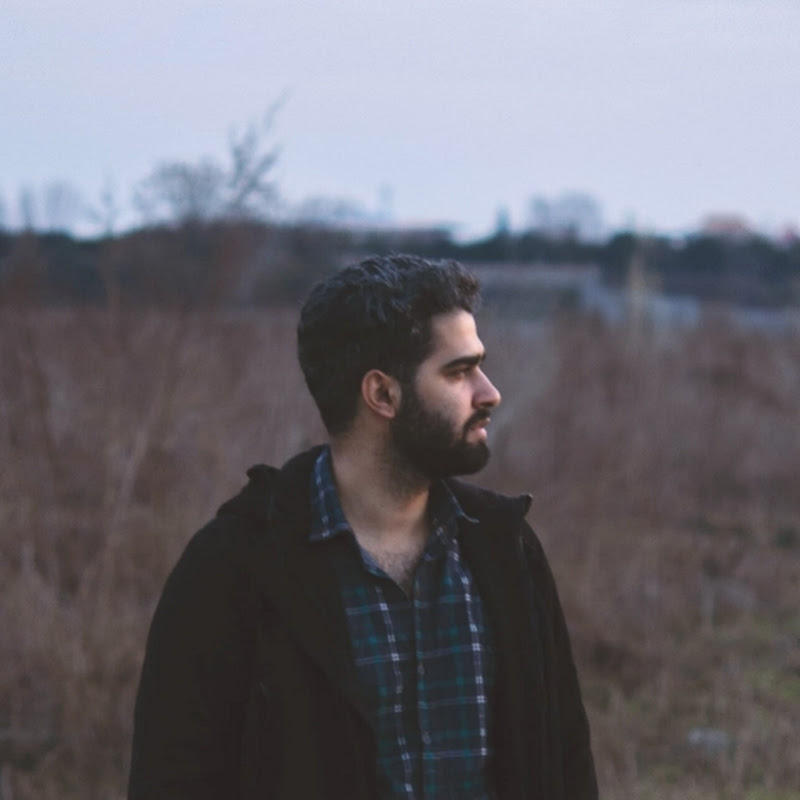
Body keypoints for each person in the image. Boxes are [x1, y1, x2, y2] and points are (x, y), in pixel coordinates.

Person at [128, 254, 597, 800]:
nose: (488, 392)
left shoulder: (505, 549)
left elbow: (566, 762)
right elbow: (173, 779)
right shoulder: (235, 568)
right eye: (458, 371)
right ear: (382, 395)